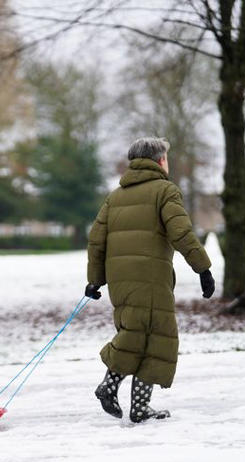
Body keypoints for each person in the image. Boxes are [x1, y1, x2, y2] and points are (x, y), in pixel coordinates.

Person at [85, 137, 215, 423]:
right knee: (156, 339)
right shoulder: (165, 191)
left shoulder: (115, 197)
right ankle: (114, 390)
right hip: (151, 279)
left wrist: (95, 280)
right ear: (159, 161)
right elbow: (181, 233)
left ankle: (129, 399)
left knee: (134, 334)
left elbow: (97, 241)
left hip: (121, 282)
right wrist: (202, 268)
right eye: (166, 157)